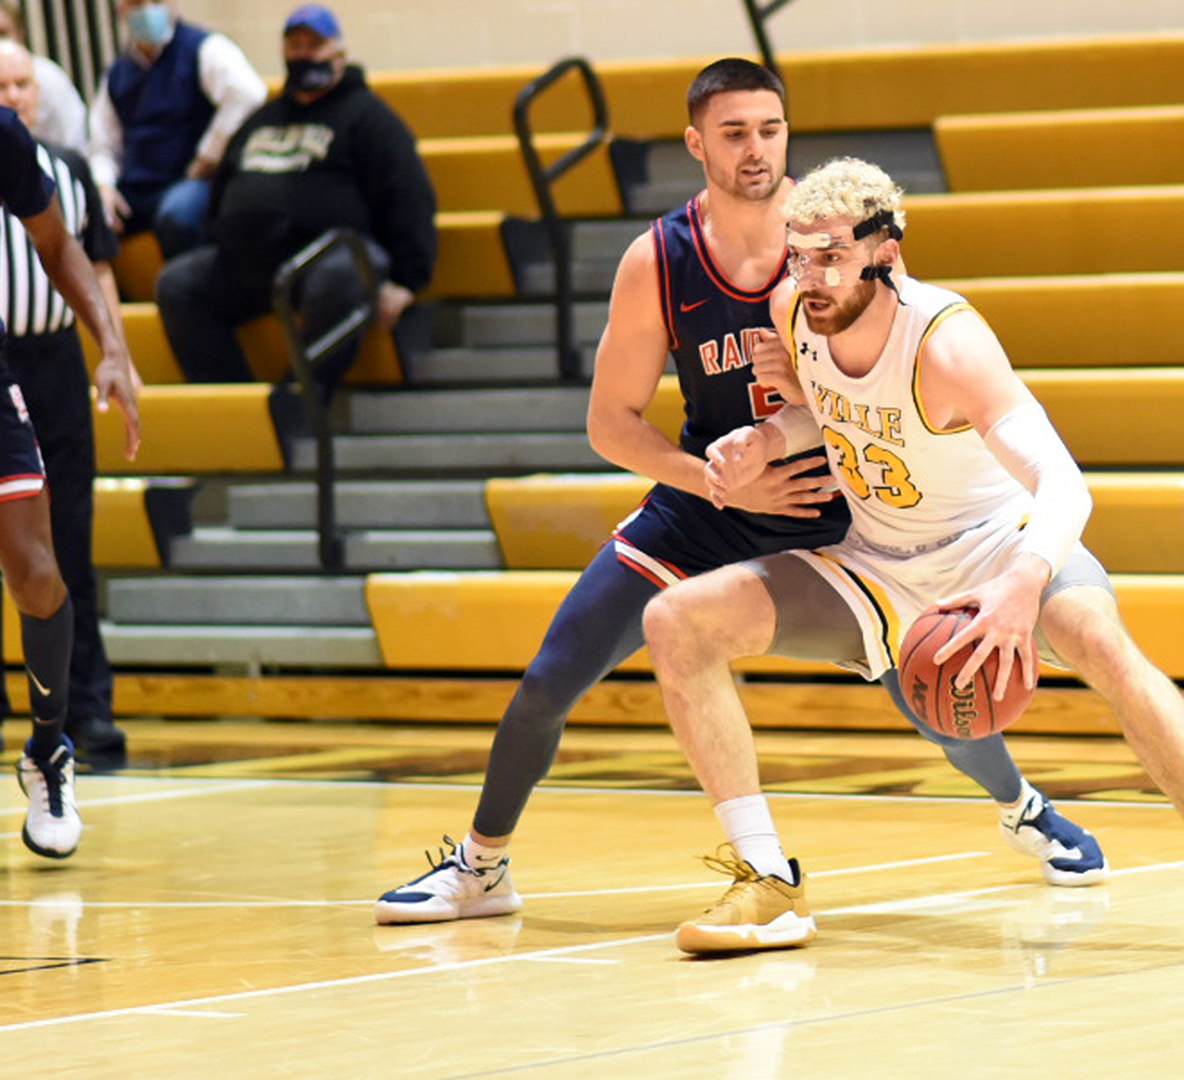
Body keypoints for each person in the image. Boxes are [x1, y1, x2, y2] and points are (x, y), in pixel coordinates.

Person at [374, 61, 1106, 926]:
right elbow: (610, 423)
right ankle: (482, 868)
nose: (756, 149)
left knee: (931, 688)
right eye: (733, 133)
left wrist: (794, 410)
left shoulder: (834, 235)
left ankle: (1021, 807)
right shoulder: (659, 260)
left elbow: (894, 376)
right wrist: (711, 479)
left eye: (770, 129)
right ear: (696, 144)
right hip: (703, 505)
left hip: (833, 506)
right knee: (551, 674)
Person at [648, 156, 1184, 962]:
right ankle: (766, 880)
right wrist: (765, 441)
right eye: (798, 254)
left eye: (829, 256)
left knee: (1103, 645)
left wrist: (1024, 584)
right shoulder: (794, 314)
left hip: (992, 548)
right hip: (877, 563)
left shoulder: (949, 344)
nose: (808, 275)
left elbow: (1063, 482)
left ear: (884, 256)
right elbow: (828, 415)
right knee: (675, 621)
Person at [154, 5, 434, 395]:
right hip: (251, 261)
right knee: (178, 283)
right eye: (295, 45)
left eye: (315, 45)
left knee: (339, 277)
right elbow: (223, 188)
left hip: (328, 257)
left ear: (340, 53)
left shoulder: (369, 117)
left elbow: (409, 194)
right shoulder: (262, 117)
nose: (304, 54)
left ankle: (301, 401)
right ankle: (237, 403)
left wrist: (407, 279)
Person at [0, 100, 141, 860]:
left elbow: (57, 244)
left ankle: (50, 750)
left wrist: (111, 345)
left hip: (13, 367)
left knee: (36, 569)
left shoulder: (3, 134)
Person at [86, 0, 265, 257]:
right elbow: (102, 144)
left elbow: (248, 94)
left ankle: (188, 294)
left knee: (178, 215)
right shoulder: (117, 73)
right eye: (136, 2)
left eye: (156, 1)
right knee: (88, 217)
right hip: (136, 188)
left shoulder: (206, 47)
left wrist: (207, 156)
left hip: (191, 182)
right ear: (120, 10)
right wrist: (104, 187)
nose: (147, 10)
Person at [0, 2, 87, 151]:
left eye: (3, 34)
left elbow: (74, 147)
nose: (13, 97)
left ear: (19, 34)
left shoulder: (47, 77)